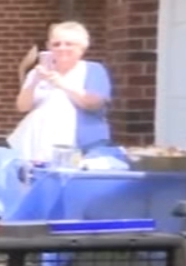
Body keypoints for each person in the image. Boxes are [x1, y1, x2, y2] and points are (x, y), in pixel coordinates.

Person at [10, 20, 113, 163]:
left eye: (69, 44)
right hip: (36, 145)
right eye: (56, 44)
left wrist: (62, 83)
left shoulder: (93, 70)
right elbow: (22, 107)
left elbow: (93, 103)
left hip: (81, 146)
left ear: (82, 47)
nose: (61, 48)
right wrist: (34, 82)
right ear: (48, 47)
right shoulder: (37, 72)